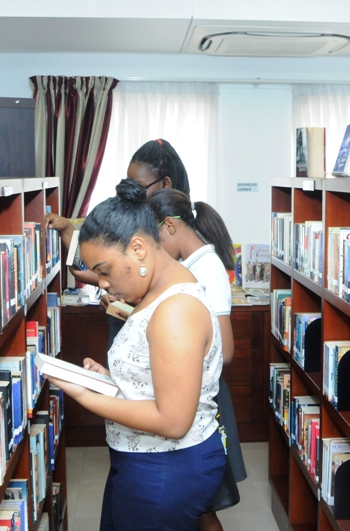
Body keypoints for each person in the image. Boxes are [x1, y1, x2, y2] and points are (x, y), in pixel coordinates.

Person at [46, 179, 226, 530]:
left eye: (104, 270)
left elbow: (173, 421)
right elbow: (155, 376)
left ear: (139, 249)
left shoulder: (176, 311)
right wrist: (112, 382)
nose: (102, 283)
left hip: (165, 469)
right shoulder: (156, 293)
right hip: (145, 461)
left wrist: (86, 395)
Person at [147, 188, 246, 531]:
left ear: (171, 226)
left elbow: (227, 350)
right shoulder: (188, 264)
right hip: (190, 392)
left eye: (156, 237)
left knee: (203, 507)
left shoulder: (207, 268)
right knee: (195, 505)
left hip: (206, 400)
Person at [45, 138, 192, 343]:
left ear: (166, 184)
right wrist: (68, 231)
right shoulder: (136, 225)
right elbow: (82, 270)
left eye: (139, 187)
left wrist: (133, 306)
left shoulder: (172, 234)